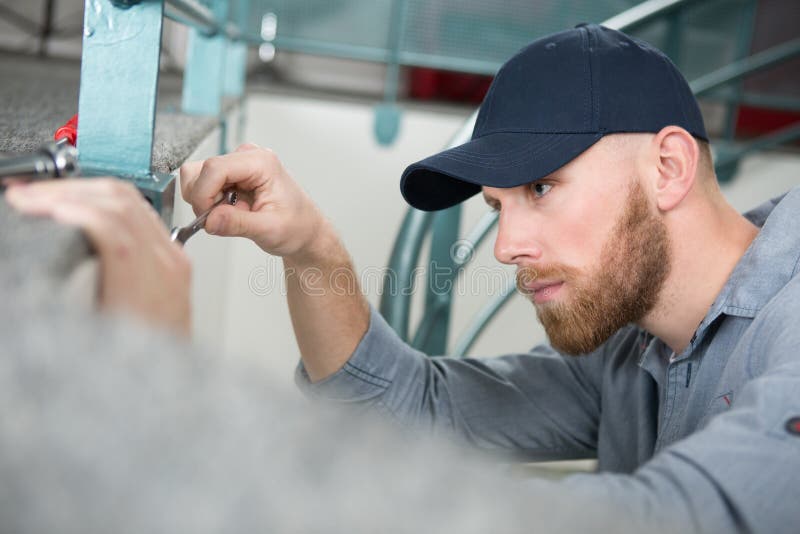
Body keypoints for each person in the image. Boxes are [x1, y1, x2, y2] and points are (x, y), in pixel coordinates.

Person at [6, 24, 799, 532]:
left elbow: (680, 520)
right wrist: (310, 246)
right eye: (497, 205)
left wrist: (159, 398)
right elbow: (411, 406)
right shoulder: (633, 350)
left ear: (668, 166)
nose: (506, 245)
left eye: (542, 188)